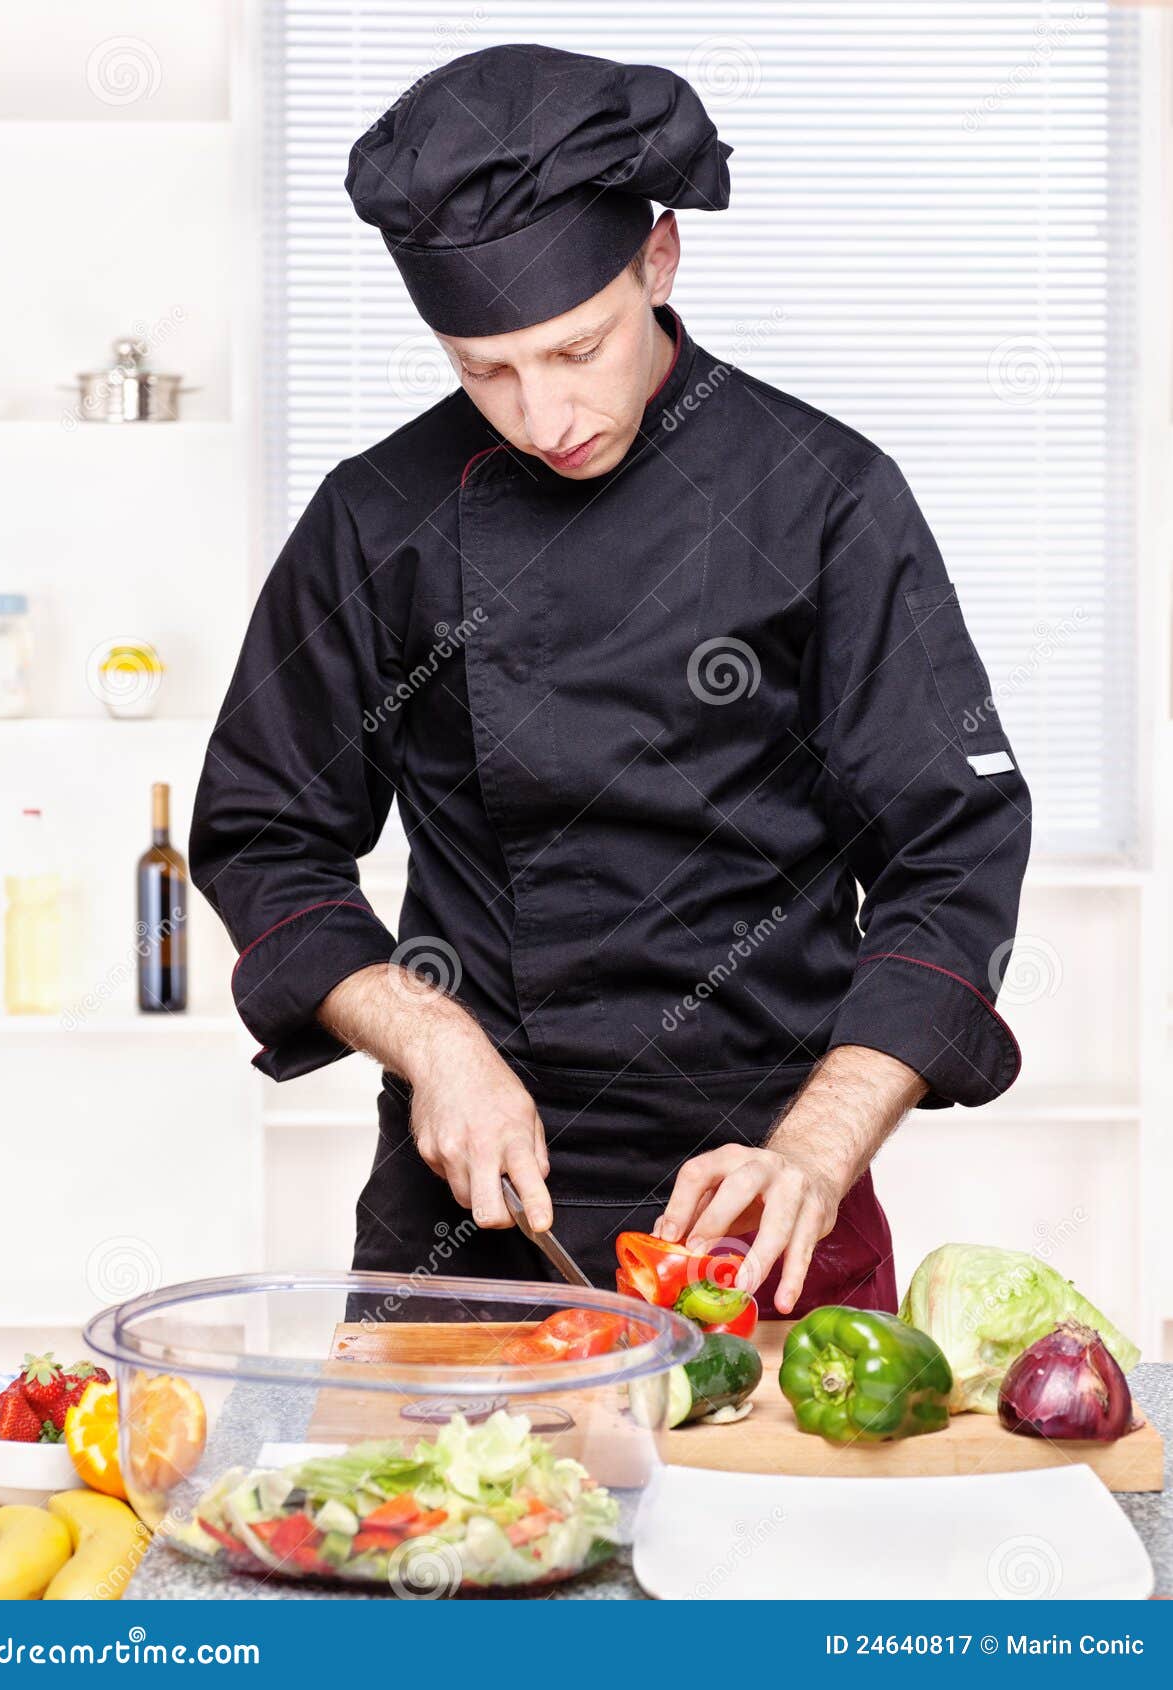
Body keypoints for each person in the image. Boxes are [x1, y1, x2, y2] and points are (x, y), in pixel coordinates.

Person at [190, 43, 1030, 1317]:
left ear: (660, 260)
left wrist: (817, 1146)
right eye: (484, 369)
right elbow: (263, 831)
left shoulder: (826, 497)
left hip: (769, 1194)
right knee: (430, 1516)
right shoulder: (381, 517)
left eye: (578, 350)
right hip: (470, 1206)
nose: (542, 415)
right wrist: (435, 1043)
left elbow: (953, 852)